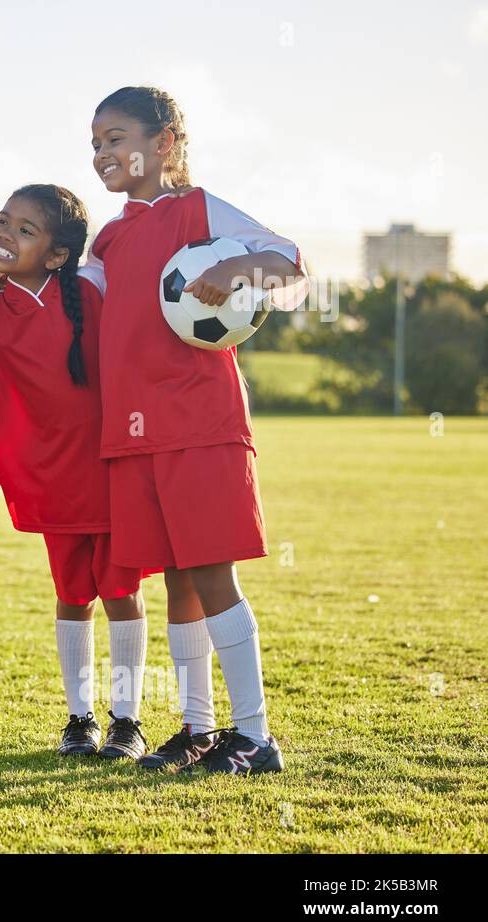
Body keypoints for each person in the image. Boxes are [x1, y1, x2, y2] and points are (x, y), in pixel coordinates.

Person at [88, 87, 305, 774]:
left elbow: (290, 261)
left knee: (212, 575)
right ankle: (198, 730)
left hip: (199, 424)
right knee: (178, 578)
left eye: (115, 137)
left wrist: (237, 266)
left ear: (165, 144)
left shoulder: (200, 209)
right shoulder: (110, 236)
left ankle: (256, 735)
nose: (103, 153)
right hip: (134, 431)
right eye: (94, 143)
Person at [0, 184, 151, 760]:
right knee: (72, 593)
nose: (5, 233)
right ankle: (80, 719)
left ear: (57, 254)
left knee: (120, 592)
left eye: (26, 230)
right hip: (48, 473)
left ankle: (126, 720)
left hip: (111, 468)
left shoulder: (92, 289)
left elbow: (126, 254)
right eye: (4, 220)